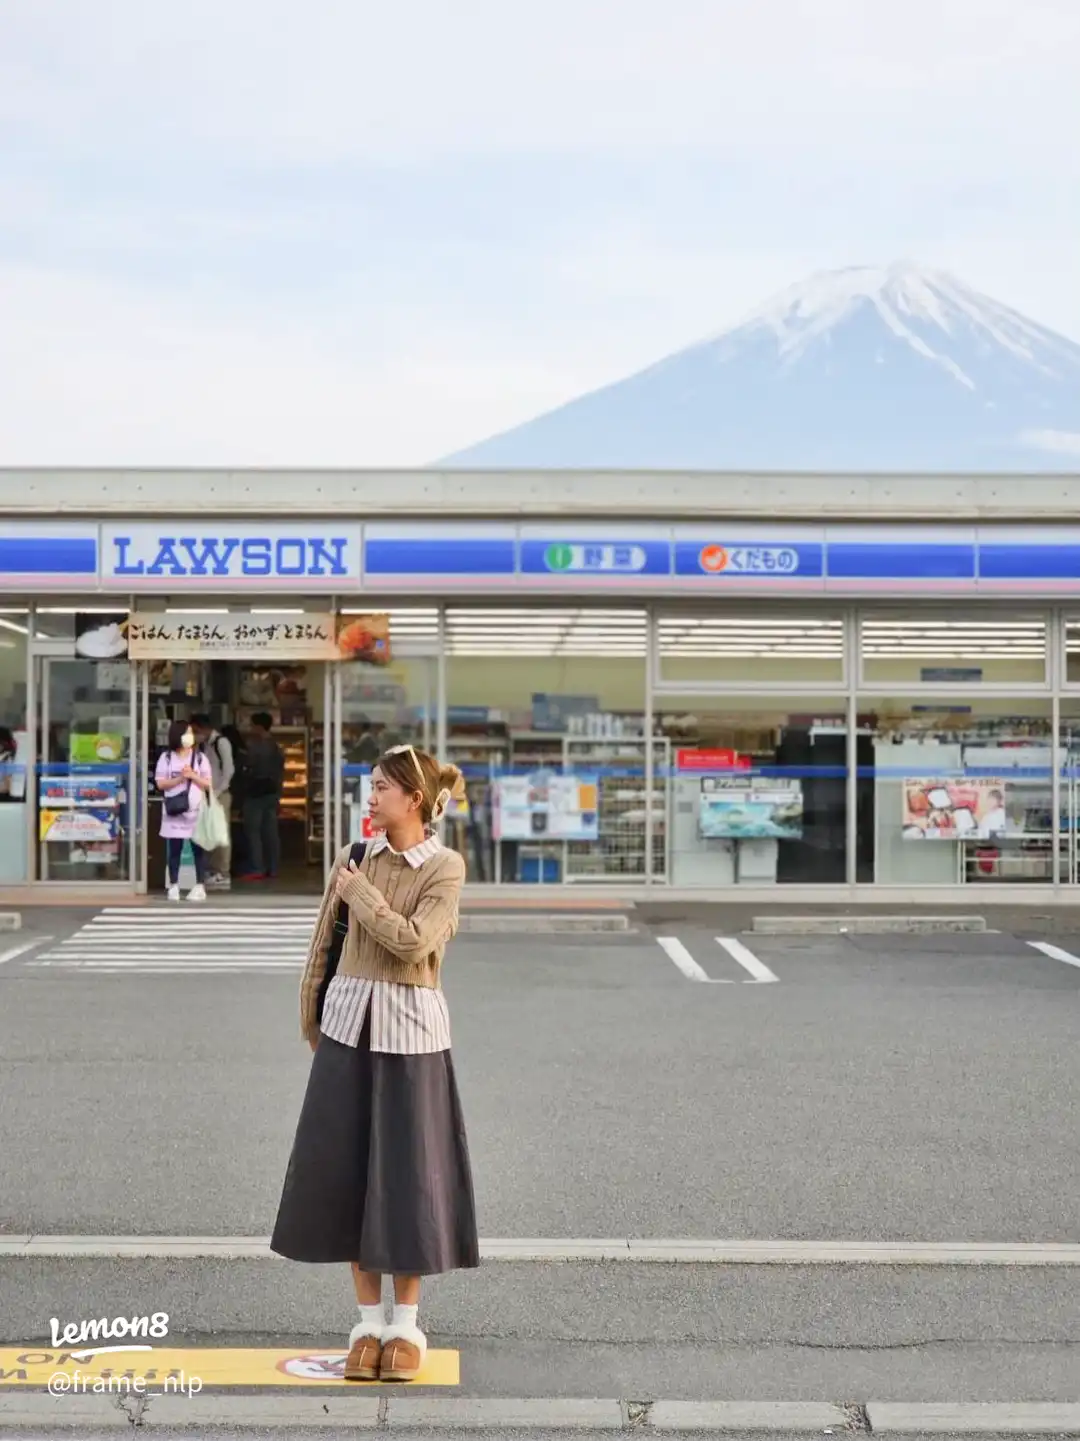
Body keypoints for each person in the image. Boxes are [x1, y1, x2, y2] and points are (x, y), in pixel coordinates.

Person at [270, 744, 478, 1385]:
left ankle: (406, 1327)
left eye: (382, 786)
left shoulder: (444, 867)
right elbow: (322, 945)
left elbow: (415, 944)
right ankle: (366, 1324)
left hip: (412, 1038)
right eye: (372, 784)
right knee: (346, 1173)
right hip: (346, 1030)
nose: (371, 794)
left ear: (413, 800)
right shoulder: (355, 857)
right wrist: (313, 1019)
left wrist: (361, 897)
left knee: (408, 1178)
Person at [155, 720, 213, 902]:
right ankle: (174, 885)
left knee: (198, 849)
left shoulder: (200, 758)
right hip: (174, 810)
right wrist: (180, 778)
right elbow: (160, 783)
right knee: (175, 849)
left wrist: (192, 775)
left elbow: (207, 784)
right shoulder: (166, 758)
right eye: (187, 732)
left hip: (195, 810)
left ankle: (199, 885)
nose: (190, 736)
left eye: (191, 733)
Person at [191, 714, 235, 889]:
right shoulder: (203, 745)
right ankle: (212, 870)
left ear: (205, 728)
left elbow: (229, 770)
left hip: (219, 795)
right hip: (207, 795)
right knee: (209, 832)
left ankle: (223, 872)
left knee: (221, 833)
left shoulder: (221, 743)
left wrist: (217, 792)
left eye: (196, 730)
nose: (194, 734)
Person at [239, 712, 284, 882]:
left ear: (258, 726)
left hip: (255, 794)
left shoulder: (253, 746)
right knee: (271, 833)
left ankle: (257, 867)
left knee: (253, 832)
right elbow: (280, 771)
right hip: (272, 793)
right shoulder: (276, 746)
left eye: (252, 725)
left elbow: (248, 769)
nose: (251, 729)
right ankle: (273, 868)